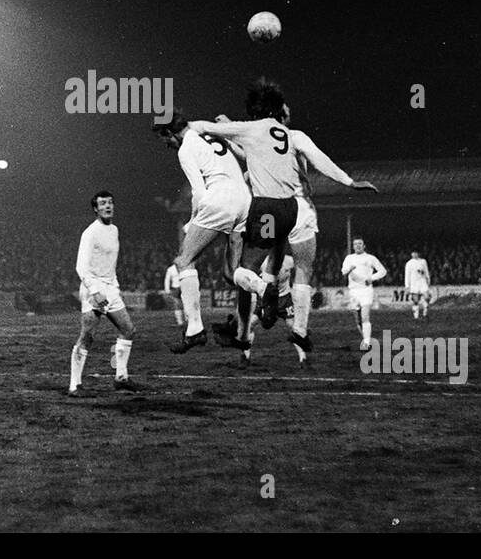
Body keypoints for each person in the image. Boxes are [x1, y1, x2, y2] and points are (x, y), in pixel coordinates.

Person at [188, 79, 377, 359]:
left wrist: (200, 130)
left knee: (243, 271)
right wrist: (349, 182)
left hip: (268, 206)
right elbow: (319, 159)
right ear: (279, 111)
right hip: (299, 210)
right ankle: (298, 328)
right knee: (301, 268)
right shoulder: (293, 136)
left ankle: (253, 314)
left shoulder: (253, 129)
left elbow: (210, 129)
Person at [152, 110, 250, 353]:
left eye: (164, 139)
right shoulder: (208, 131)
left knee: (184, 260)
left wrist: (192, 222)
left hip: (219, 200)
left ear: (169, 132)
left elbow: (199, 193)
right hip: (245, 200)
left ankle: (194, 329)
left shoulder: (186, 148)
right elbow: (244, 153)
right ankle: (247, 317)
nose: (166, 145)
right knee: (233, 273)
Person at [69, 192, 139, 395]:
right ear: (95, 209)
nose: (108, 206)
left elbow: (111, 264)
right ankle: (75, 385)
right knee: (87, 336)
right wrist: (95, 291)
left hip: (110, 288)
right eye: (102, 204)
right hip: (94, 289)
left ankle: (121, 377)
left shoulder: (114, 229)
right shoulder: (90, 233)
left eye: (110, 202)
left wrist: (114, 287)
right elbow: (81, 267)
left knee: (128, 329)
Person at [342, 237, 387, 352]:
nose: (358, 246)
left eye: (360, 244)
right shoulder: (349, 258)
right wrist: (349, 269)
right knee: (358, 321)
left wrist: (372, 278)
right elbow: (343, 271)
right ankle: (366, 339)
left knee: (365, 316)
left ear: (364, 245)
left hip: (366, 290)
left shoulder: (370, 258)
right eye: (355, 244)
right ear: (353, 246)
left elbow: (383, 271)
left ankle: (366, 343)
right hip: (353, 291)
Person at [404, 251, 431, 320]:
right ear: (411, 254)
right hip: (414, 283)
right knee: (416, 301)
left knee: (427, 297)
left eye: (416, 252)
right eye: (413, 253)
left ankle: (425, 314)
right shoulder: (409, 263)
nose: (414, 254)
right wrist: (407, 286)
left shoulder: (423, 261)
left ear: (418, 253)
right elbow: (407, 275)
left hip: (422, 282)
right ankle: (416, 317)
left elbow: (426, 271)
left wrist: (428, 280)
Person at [163, 262, 184, 327]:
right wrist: (167, 289)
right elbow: (167, 279)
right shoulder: (170, 269)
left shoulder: (184, 267)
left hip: (184, 287)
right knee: (177, 305)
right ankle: (180, 321)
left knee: (187, 304)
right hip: (176, 288)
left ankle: (188, 320)